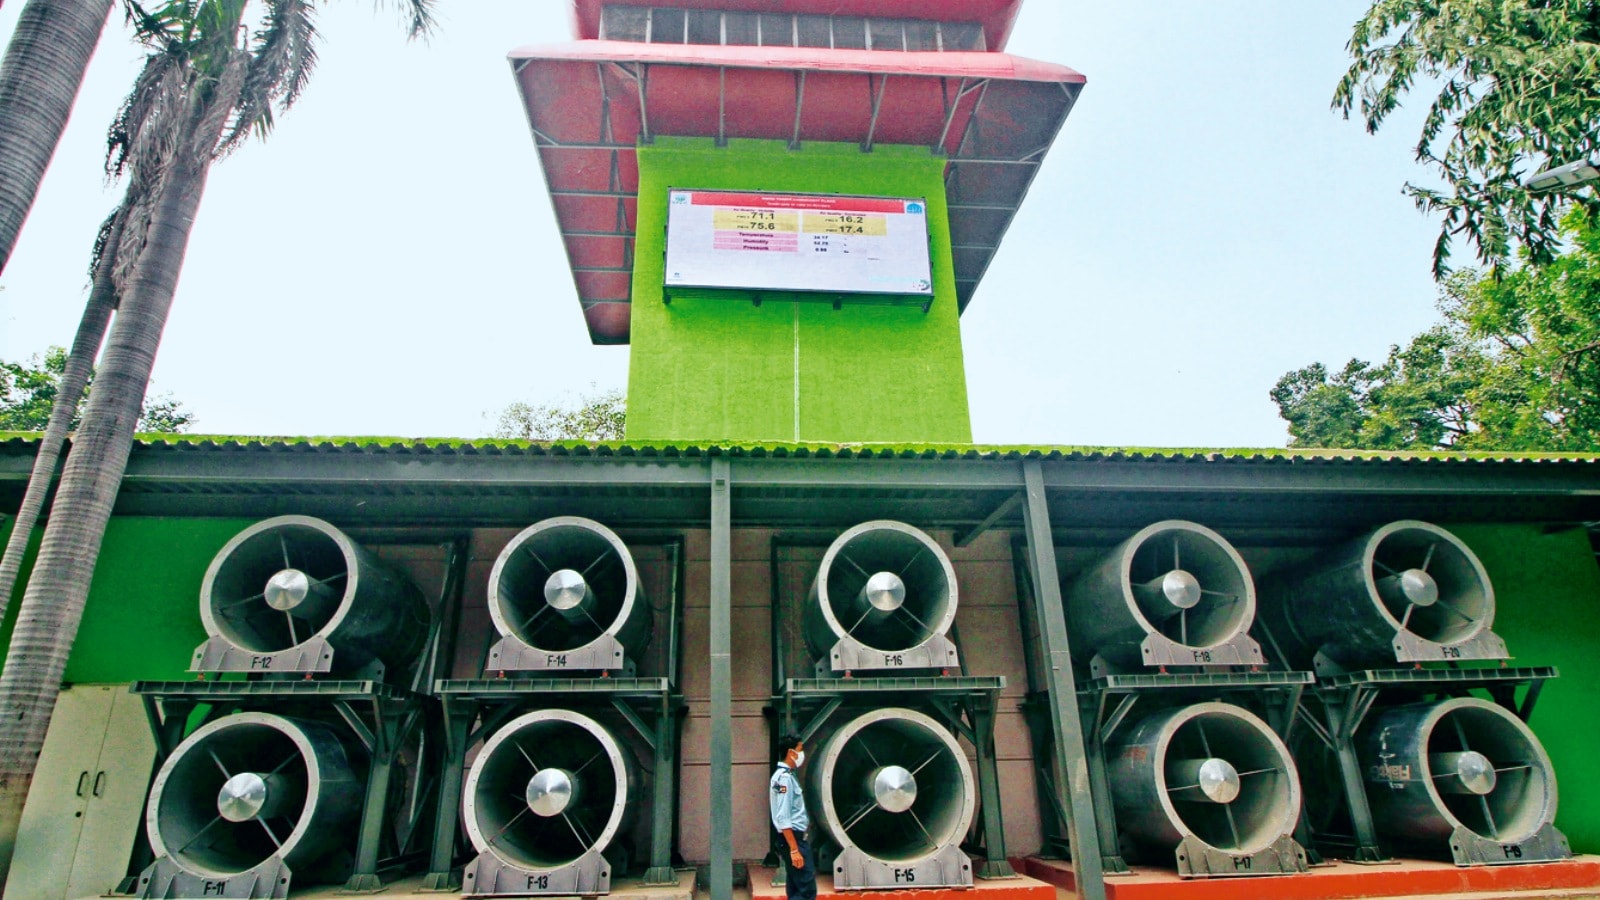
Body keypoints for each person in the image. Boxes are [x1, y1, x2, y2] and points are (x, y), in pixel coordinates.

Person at [770, 731, 815, 900]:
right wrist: (795, 849)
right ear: (791, 752)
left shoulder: (783, 776)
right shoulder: (785, 779)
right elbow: (783, 817)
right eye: (800, 749)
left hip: (791, 839)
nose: (802, 754)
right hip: (794, 840)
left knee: (796, 889)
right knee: (807, 891)